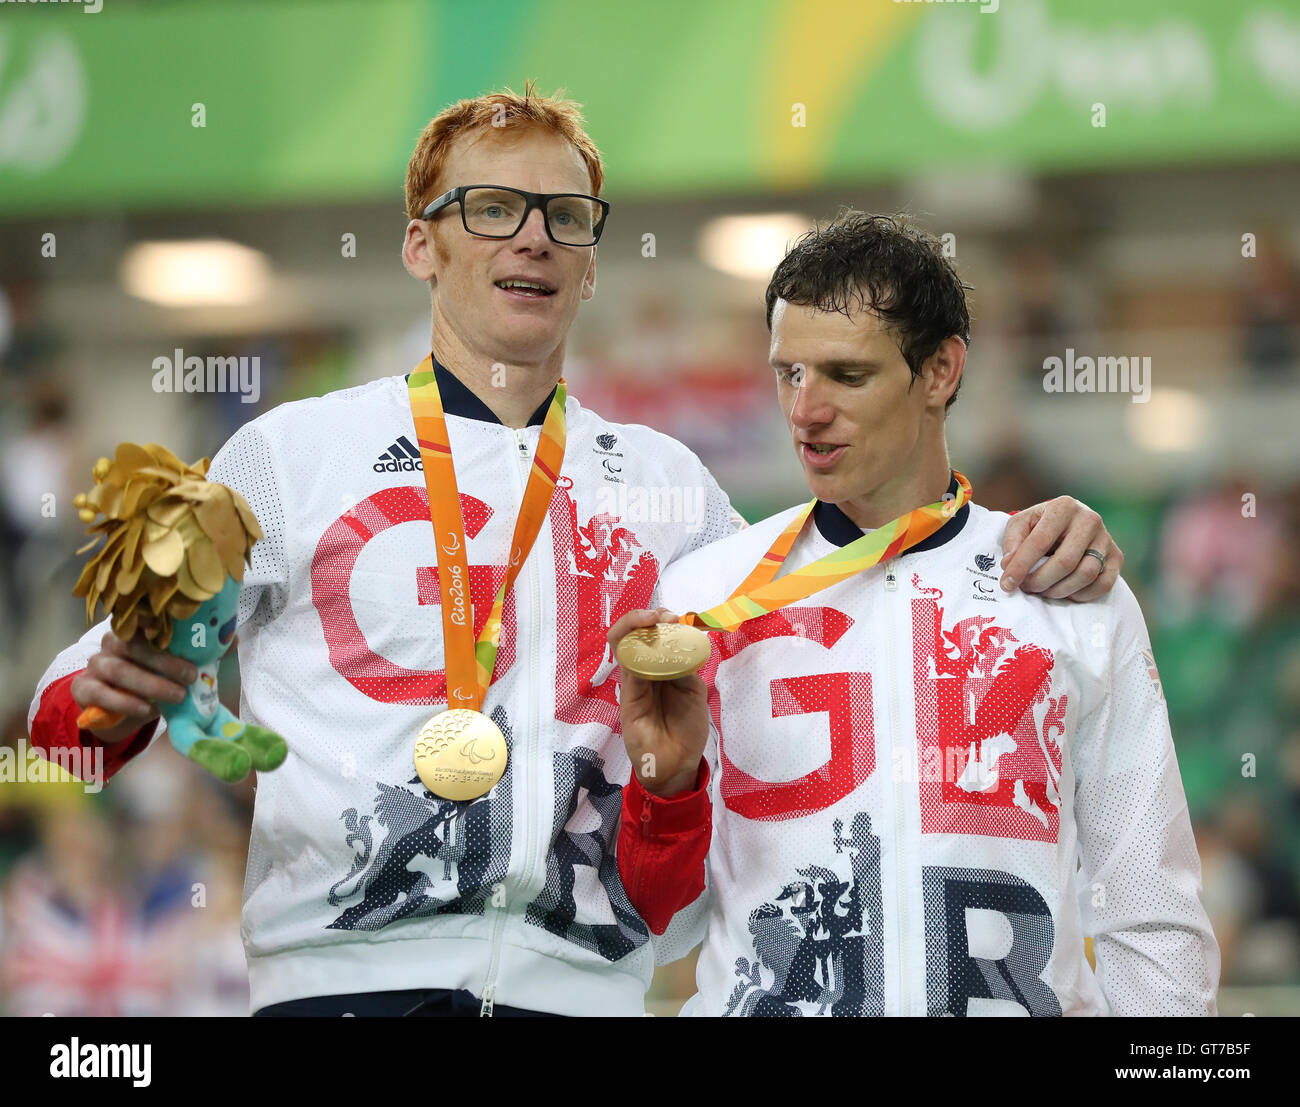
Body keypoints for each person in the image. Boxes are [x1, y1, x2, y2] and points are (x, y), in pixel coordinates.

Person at [28, 90, 1119, 1018]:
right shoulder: (288, 455)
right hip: (334, 988)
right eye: (491, 208)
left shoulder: (672, 491)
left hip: (583, 1000)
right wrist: (102, 708)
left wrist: (1024, 529)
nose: (532, 238)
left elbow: (851, 588)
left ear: (592, 263)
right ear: (421, 243)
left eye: (565, 216)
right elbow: (67, 731)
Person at [610, 211, 1219, 1016]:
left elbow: (1150, 910)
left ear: (940, 370)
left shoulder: (1063, 588)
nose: (806, 410)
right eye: (788, 373)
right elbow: (662, 926)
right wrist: (669, 784)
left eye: (846, 374)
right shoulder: (703, 603)